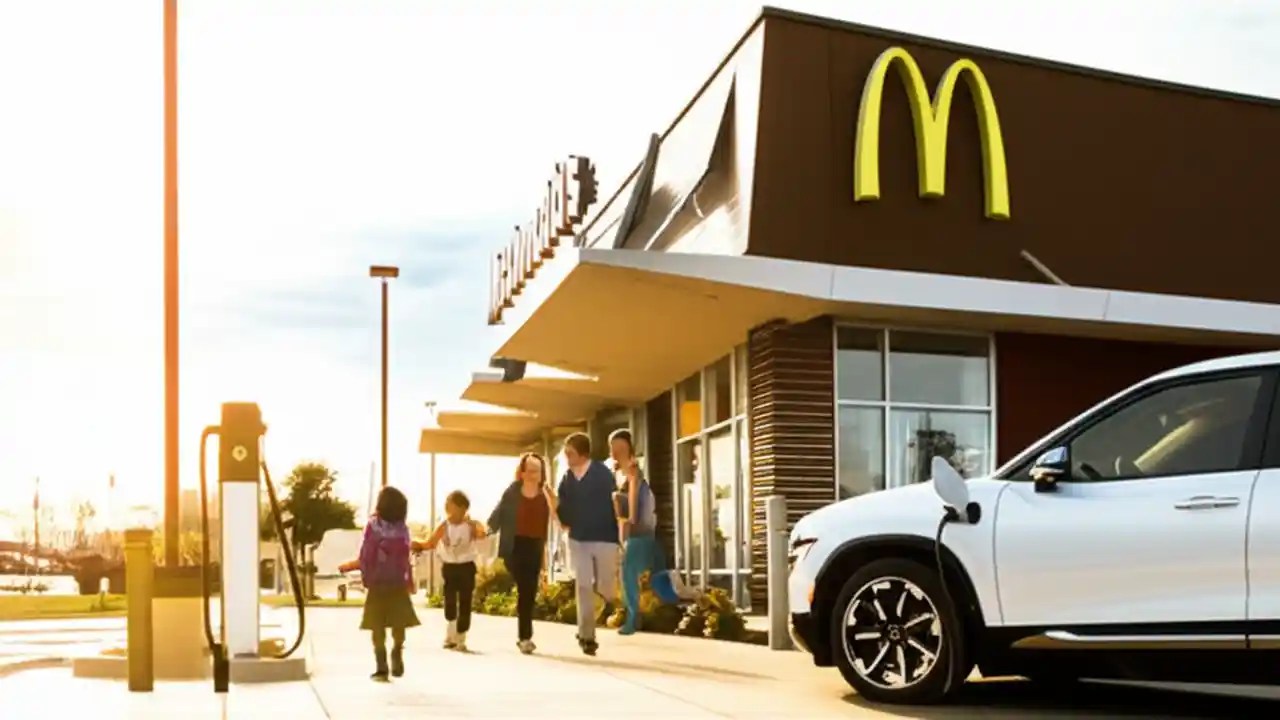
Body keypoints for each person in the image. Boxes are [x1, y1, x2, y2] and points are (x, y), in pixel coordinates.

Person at [608, 428, 699, 635]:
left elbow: (632, 509)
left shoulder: (633, 472)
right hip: (637, 533)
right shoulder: (618, 474)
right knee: (652, 579)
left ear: (628, 448)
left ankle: (632, 620)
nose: (615, 451)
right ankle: (688, 596)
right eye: (612, 447)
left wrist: (627, 525)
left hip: (640, 532)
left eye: (620, 447)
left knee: (629, 575)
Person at [338, 485, 420, 682]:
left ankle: (381, 666)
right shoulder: (403, 528)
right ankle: (397, 651)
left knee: (377, 626)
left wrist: (364, 576)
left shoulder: (373, 526)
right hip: (398, 582)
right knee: (399, 622)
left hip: (377, 583)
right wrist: (409, 579)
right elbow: (406, 556)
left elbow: (366, 554)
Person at [556, 432, 620, 656]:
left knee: (605, 586)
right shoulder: (567, 478)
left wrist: (621, 534)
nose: (567, 457)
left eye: (570, 453)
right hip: (579, 539)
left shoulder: (603, 474)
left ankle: (608, 603)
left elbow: (615, 505)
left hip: (605, 538)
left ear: (583, 453)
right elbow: (563, 508)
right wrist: (563, 517)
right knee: (583, 586)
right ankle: (587, 635)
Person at [487, 452, 556, 655]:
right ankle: (524, 636)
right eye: (531, 470)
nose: (534, 474)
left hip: (535, 545)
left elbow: (558, 514)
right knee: (525, 587)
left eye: (538, 471)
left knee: (528, 591)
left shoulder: (546, 494)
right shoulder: (513, 491)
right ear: (523, 472)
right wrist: (487, 529)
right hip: (514, 545)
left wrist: (556, 502)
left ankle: (525, 637)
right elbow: (498, 514)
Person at [418, 490, 485, 652]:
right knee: (449, 600)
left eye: (451, 503)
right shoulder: (444, 525)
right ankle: (451, 633)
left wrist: (478, 527)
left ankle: (461, 636)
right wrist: (416, 545)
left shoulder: (470, 525)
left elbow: (482, 534)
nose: (447, 506)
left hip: (467, 566)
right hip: (449, 567)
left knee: (465, 601)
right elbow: (431, 542)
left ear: (462, 508)